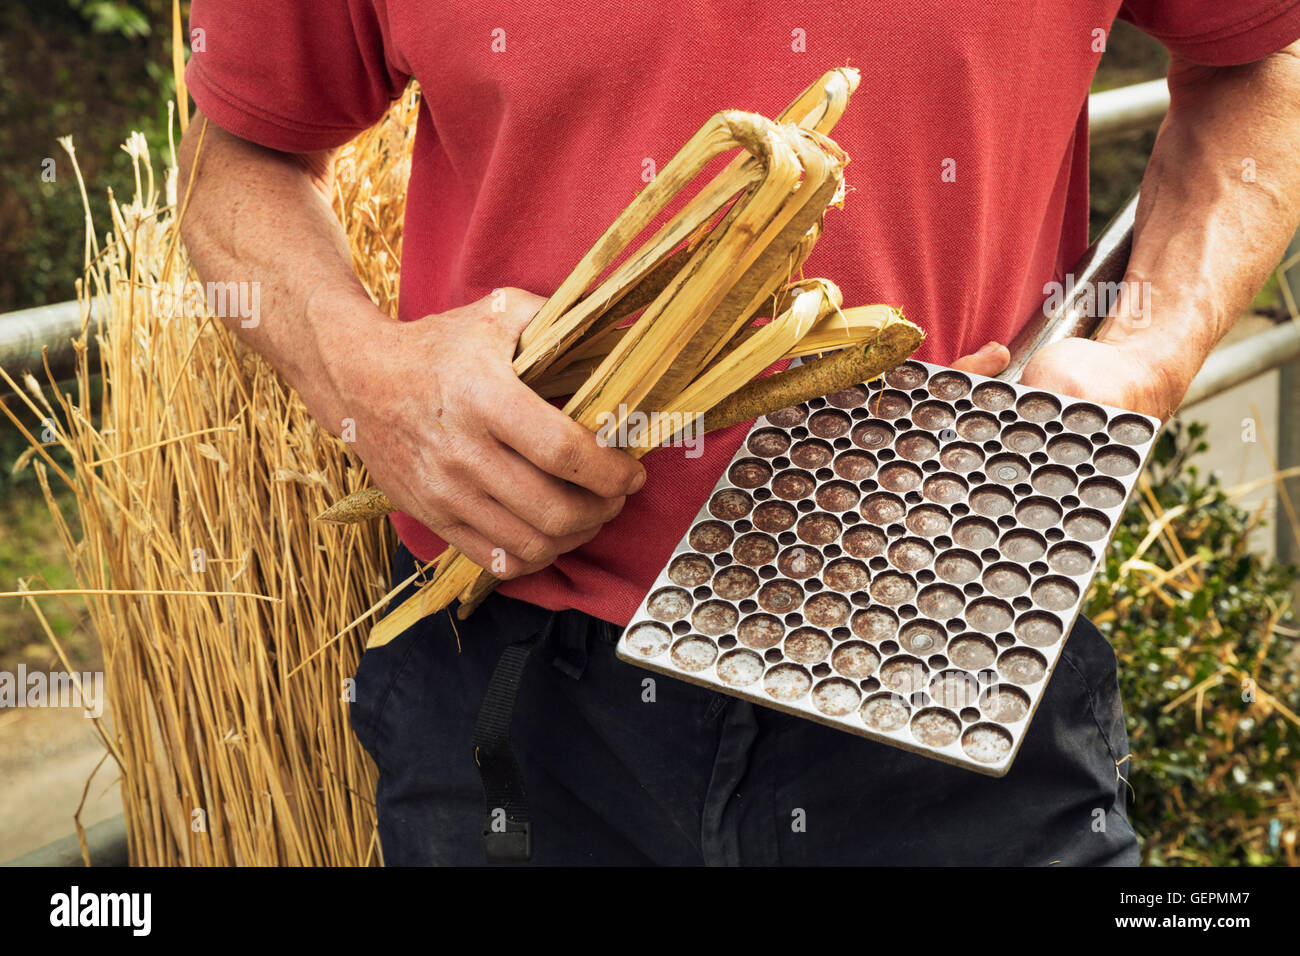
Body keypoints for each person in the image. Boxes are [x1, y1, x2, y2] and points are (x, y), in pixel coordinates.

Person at [177, 2, 1300, 865]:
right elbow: (234, 163)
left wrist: (1141, 350)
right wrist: (371, 378)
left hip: (952, 637)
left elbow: (1265, 59)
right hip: (514, 688)